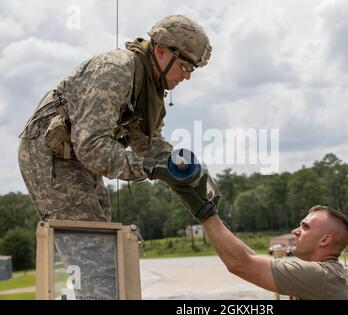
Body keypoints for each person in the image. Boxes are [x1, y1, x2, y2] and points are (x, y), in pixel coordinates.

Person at [18, 14, 212, 299]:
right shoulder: (117, 70)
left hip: (77, 161)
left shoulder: (148, 86)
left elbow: (148, 143)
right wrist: (150, 168)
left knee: (107, 248)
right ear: (160, 50)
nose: (187, 75)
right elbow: (92, 145)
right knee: (96, 262)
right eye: (184, 65)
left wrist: (183, 169)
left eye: (192, 69)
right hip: (51, 157)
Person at [174, 183, 348, 300]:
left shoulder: (320, 277)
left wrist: (202, 210)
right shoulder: (332, 274)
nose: (295, 231)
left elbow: (241, 264)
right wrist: (215, 217)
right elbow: (252, 259)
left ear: (325, 240)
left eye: (305, 227)